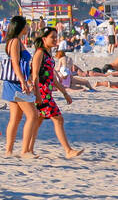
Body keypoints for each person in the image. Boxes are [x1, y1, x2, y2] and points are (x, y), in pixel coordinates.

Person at [26, 28, 84, 159]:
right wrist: (38, 94)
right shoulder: (39, 53)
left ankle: (29, 149)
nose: (55, 39)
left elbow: (51, 77)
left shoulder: (48, 54)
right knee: (58, 119)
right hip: (41, 91)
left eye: (56, 37)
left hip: (46, 91)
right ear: (44, 39)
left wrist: (64, 92)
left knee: (38, 121)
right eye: (52, 37)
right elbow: (34, 75)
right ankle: (68, 150)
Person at [0, 15, 39, 158]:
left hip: (13, 83)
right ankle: (25, 151)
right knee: (32, 115)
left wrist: (26, 79)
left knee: (15, 117)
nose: (28, 27)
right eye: (26, 25)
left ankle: (9, 150)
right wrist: (23, 81)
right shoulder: (15, 41)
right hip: (16, 83)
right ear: (21, 27)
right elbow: (15, 63)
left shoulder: (15, 41)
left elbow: (21, 65)